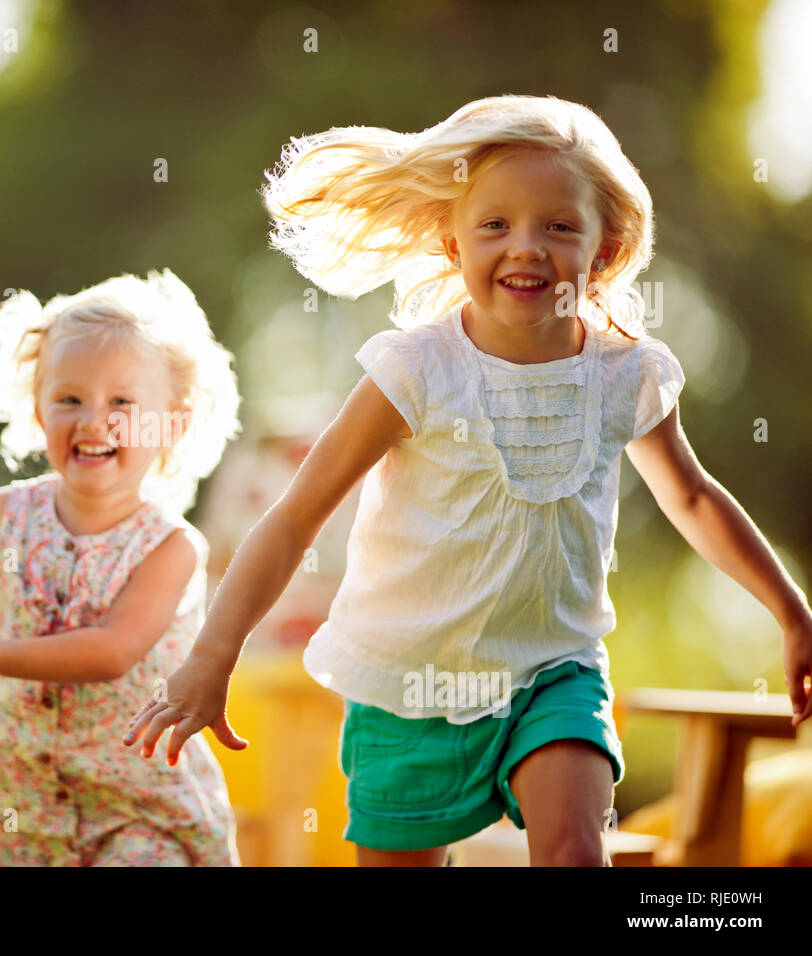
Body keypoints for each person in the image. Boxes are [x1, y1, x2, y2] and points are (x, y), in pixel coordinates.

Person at [124, 94, 812, 867]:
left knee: (576, 852)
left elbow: (691, 498)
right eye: (495, 225)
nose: (527, 248)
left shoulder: (626, 373)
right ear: (453, 246)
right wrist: (214, 655)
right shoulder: (415, 369)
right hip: (407, 685)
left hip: (554, 673)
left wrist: (791, 612)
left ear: (606, 250)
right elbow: (295, 518)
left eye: (559, 226)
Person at [0, 270, 242, 866]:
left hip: (138, 811)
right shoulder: (4, 513)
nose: (93, 421)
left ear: (172, 424)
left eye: (122, 402)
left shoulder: (171, 546)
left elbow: (112, 650)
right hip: (22, 809)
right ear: (38, 412)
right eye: (69, 399)